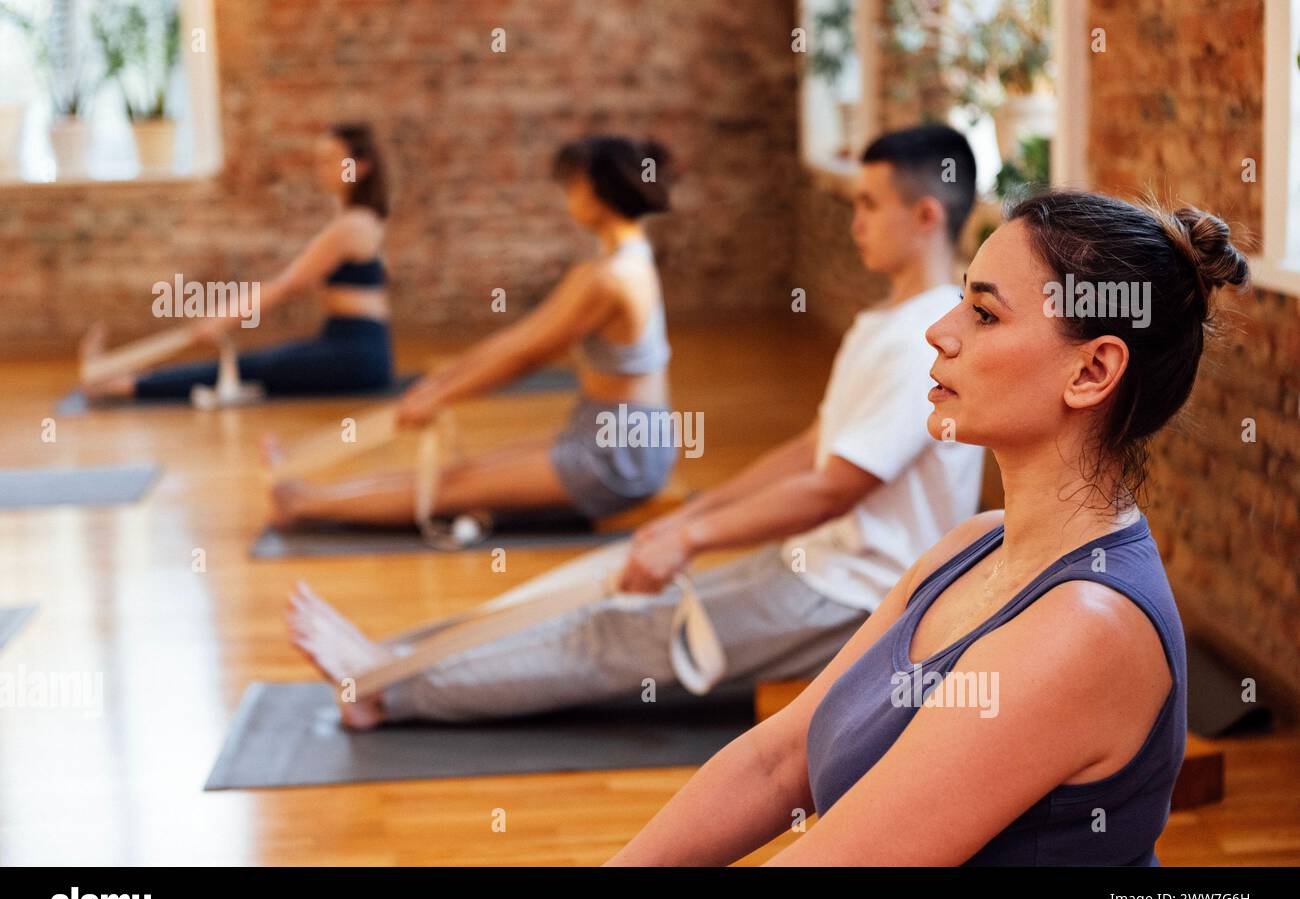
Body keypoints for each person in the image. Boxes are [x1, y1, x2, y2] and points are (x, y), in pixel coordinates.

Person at [607, 191, 1249, 866]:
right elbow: (779, 758)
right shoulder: (971, 545)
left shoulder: (1086, 629)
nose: (939, 330)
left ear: (1091, 371)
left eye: (983, 312)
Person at [287, 124, 987, 731]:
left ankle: (385, 692)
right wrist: (696, 512)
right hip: (821, 565)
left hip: (862, 596)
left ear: (925, 215)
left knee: (614, 633)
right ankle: (388, 661)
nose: (854, 220)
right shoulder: (883, 325)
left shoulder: (924, 340)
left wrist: (689, 535)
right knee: (608, 600)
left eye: (868, 204)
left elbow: (832, 488)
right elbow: (811, 447)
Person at [267, 134, 679, 527]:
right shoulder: (623, 261)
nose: (569, 194)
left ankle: (301, 502)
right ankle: (304, 492)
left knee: (450, 488)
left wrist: (442, 397)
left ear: (595, 191)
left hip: (621, 455)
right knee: (461, 474)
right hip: (608, 434)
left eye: (573, 183)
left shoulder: (609, 278)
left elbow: (526, 357)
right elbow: (518, 339)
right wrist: (440, 383)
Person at [81, 122, 395, 399]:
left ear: (361, 167)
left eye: (331, 160)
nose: (321, 169)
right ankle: (118, 380)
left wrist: (222, 318)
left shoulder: (351, 226)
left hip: (356, 355)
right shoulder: (356, 220)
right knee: (258, 364)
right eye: (319, 161)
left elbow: (285, 285)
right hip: (349, 345)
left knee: (249, 367)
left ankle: (122, 385)